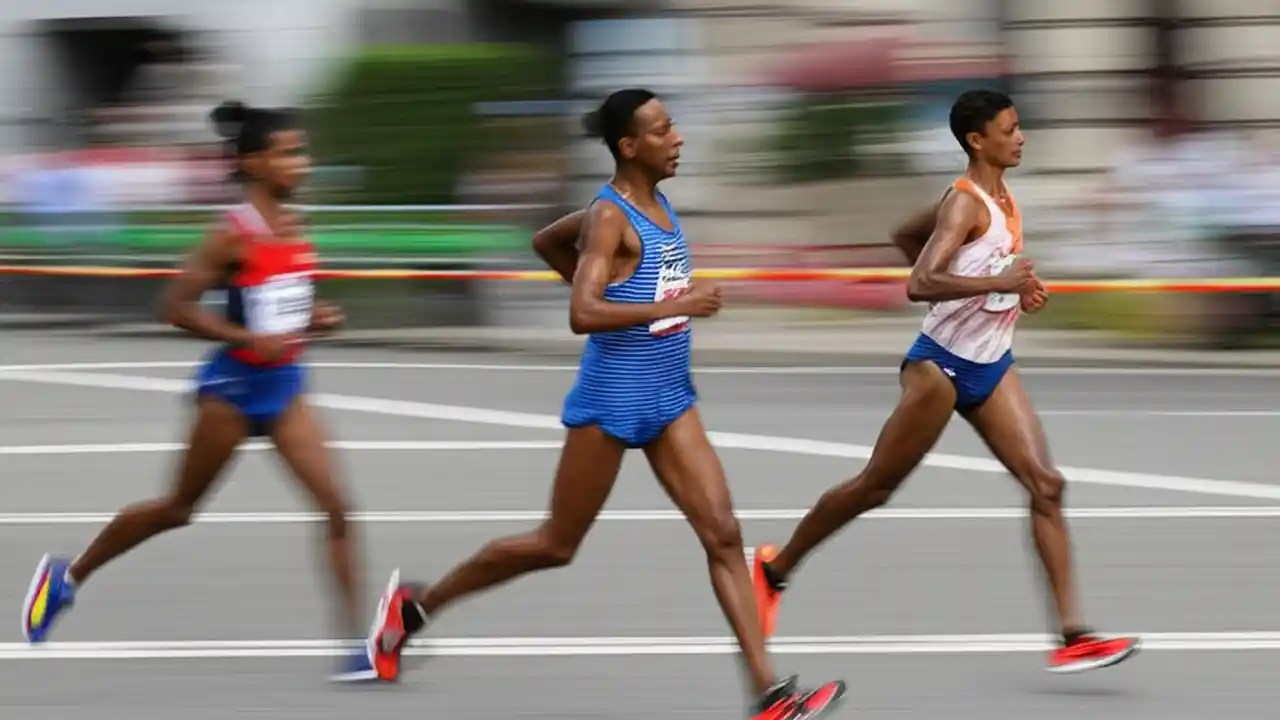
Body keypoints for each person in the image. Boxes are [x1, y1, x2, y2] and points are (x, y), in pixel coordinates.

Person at [358, 89, 847, 718]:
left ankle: (769, 697)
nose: (678, 138)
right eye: (664, 129)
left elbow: (546, 241)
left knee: (724, 535)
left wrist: (640, 300)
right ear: (629, 146)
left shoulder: (655, 204)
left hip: (669, 396)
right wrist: (672, 306)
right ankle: (414, 610)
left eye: (675, 125)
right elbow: (582, 312)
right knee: (554, 545)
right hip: (612, 400)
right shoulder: (610, 215)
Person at [750, 89, 1141, 674]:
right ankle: (775, 570)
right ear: (977, 140)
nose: (1021, 136)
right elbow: (920, 282)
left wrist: (1014, 289)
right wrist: (998, 283)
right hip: (940, 368)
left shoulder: (1001, 197)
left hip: (991, 363)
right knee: (874, 488)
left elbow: (913, 240)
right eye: (1009, 129)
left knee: (1046, 485)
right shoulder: (965, 204)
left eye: (1019, 126)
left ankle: (1072, 635)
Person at [21, 100, 377, 682]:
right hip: (232, 390)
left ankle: (355, 648)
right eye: (291, 153)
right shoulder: (229, 234)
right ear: (255, 163)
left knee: (338, 507)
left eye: (303, 151)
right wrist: (244, 336)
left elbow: (286, 302)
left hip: (285, 387)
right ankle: (68, 576)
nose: (303, 164)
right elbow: (175, 308)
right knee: (177, 508)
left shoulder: (296, 224)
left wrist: (317, 318)